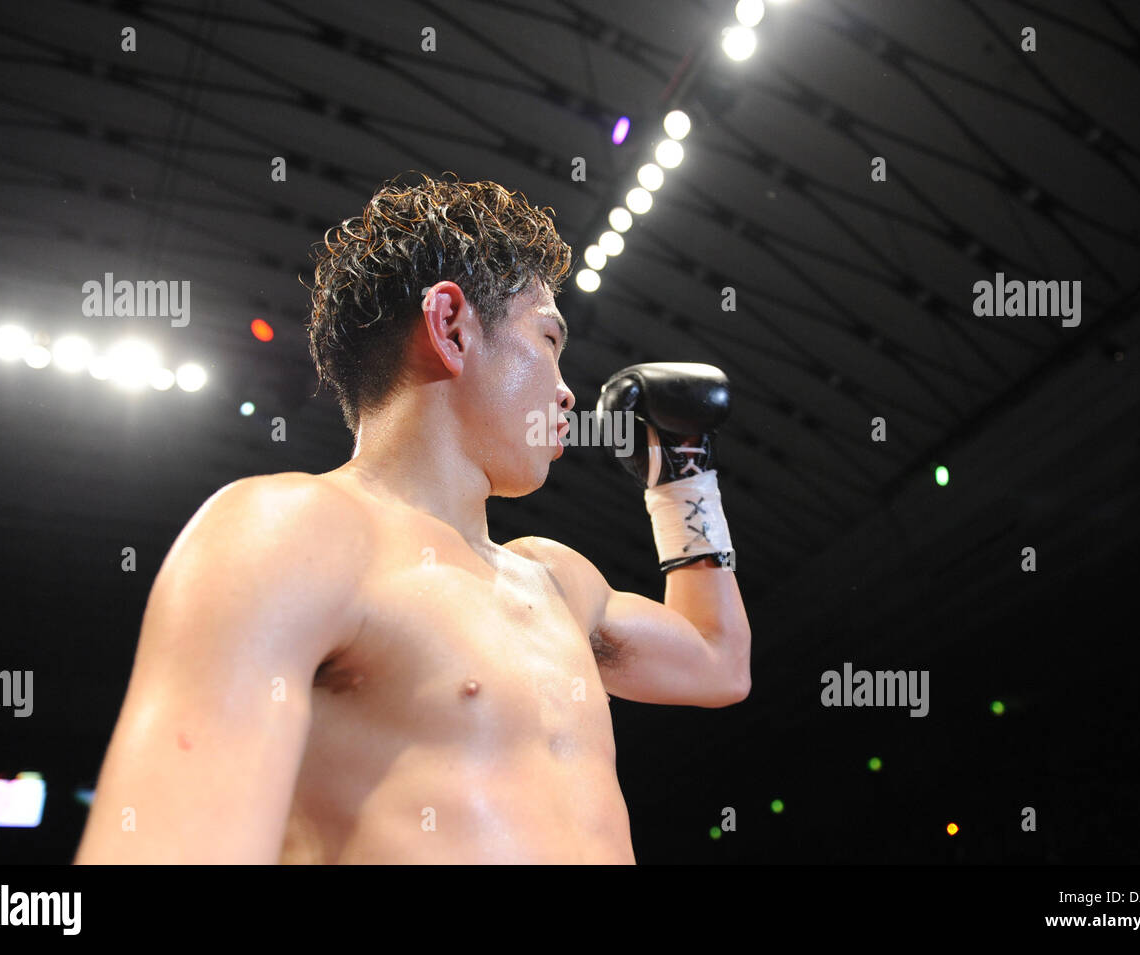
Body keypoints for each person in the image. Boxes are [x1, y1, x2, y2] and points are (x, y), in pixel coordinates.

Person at [74, 171, 751, 864]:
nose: (566, 391)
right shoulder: (291, 531)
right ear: (451, 326)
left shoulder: (558, 580)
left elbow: (719, 663)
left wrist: (683, 474)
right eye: (549, 340)